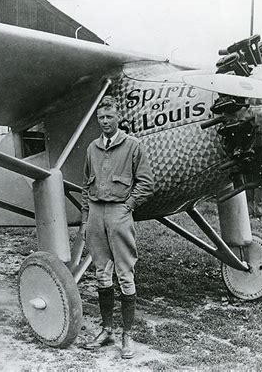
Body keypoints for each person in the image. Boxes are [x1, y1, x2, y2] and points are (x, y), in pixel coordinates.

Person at [81, 95, 154, 359]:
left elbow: (146, 183)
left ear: (118, 118)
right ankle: (107, 330)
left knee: (125, 274)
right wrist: (85, 217)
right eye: (101, 118)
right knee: (102, 272)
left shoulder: (133, 146)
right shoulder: (92, 148)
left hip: (119, 212)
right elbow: (86, 185)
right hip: (96, 214)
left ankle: (127, 335)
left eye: (109, 117)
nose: (105, 122)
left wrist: (128, 206)